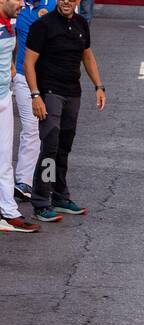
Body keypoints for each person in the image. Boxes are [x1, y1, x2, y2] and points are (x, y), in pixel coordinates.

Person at [23, 0, 103, 224]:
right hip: (49, 93)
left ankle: (60, 197)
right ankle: (41, 202)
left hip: (72, 93)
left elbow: (87, 56)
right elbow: (29, 63)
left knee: (64, 147)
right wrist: (35, 95)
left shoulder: (81, 23)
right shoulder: (43, 25)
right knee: (50, 146)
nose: (67, 1)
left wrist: (98, 86)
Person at [12, 0, 56, 206]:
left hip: (52, 79)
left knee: (52, 135)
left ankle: (48, 182)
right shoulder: (16, 6)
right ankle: (24, 182)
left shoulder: (56, 4)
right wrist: (10, 65)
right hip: (23, 77)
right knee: (31, 129)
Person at [1, 0, 38, 232]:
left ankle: (9, 211)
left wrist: (12, 65)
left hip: (4, 97)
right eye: (17, 0)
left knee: (4, 159)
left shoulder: (9, 22)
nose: (22, 6)